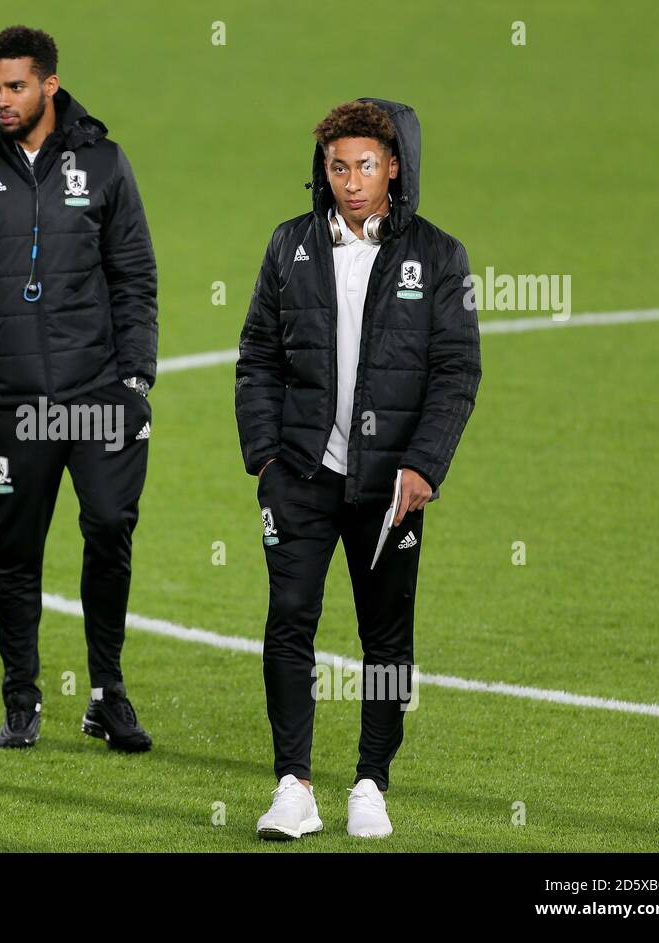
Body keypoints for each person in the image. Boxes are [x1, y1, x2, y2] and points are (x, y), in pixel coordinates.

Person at [234, 99, 481, 840]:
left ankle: (371, 782)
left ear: (395, 166)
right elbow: (257, 358)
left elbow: (456, 371)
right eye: (337, 166)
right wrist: (268, 458)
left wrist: (423, 465)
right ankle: (294, 785)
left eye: (365, 165)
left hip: (390, 488)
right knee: (289, 623)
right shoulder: (290, 247)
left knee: (386, 639)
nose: (350, 180)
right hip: (302, 477)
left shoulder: (439, 256)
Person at [0, 25, 159, 752]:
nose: (1, 99)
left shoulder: (105, 162)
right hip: (12, 400)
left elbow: (134, 277)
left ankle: (106, 692)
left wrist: (137, 377)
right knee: (17, 548)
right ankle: (21, 698)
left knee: (110, 527)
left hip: (97, 395)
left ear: (49, 85)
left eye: (15, 86)